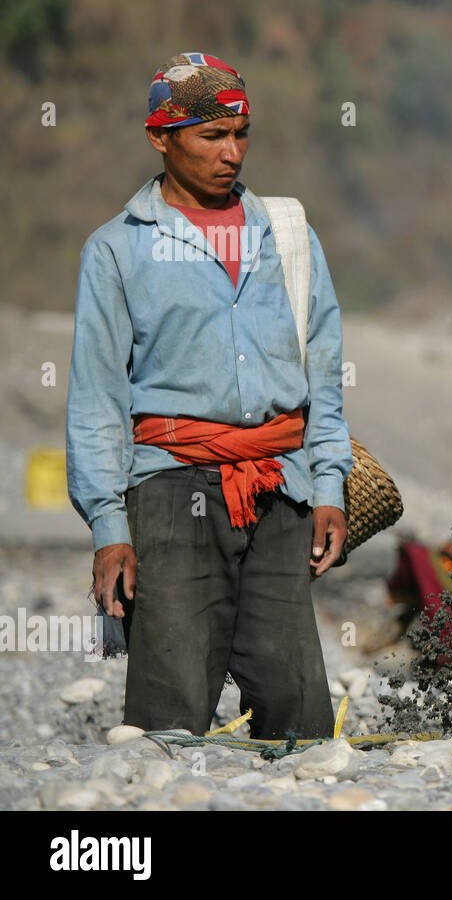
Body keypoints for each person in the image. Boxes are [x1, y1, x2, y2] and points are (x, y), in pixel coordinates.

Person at [66, 52, 353, 739]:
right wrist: (110, 529)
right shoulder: (117, 250)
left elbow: (324, 376)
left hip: (279, 489)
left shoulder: (287, 235)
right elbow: (96, 398)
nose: (232, 153)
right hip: (167, 493)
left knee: (299, 719)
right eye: (210, 136)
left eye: (241, 133)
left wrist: (329, 486)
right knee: (170, 712)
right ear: (159, 138)